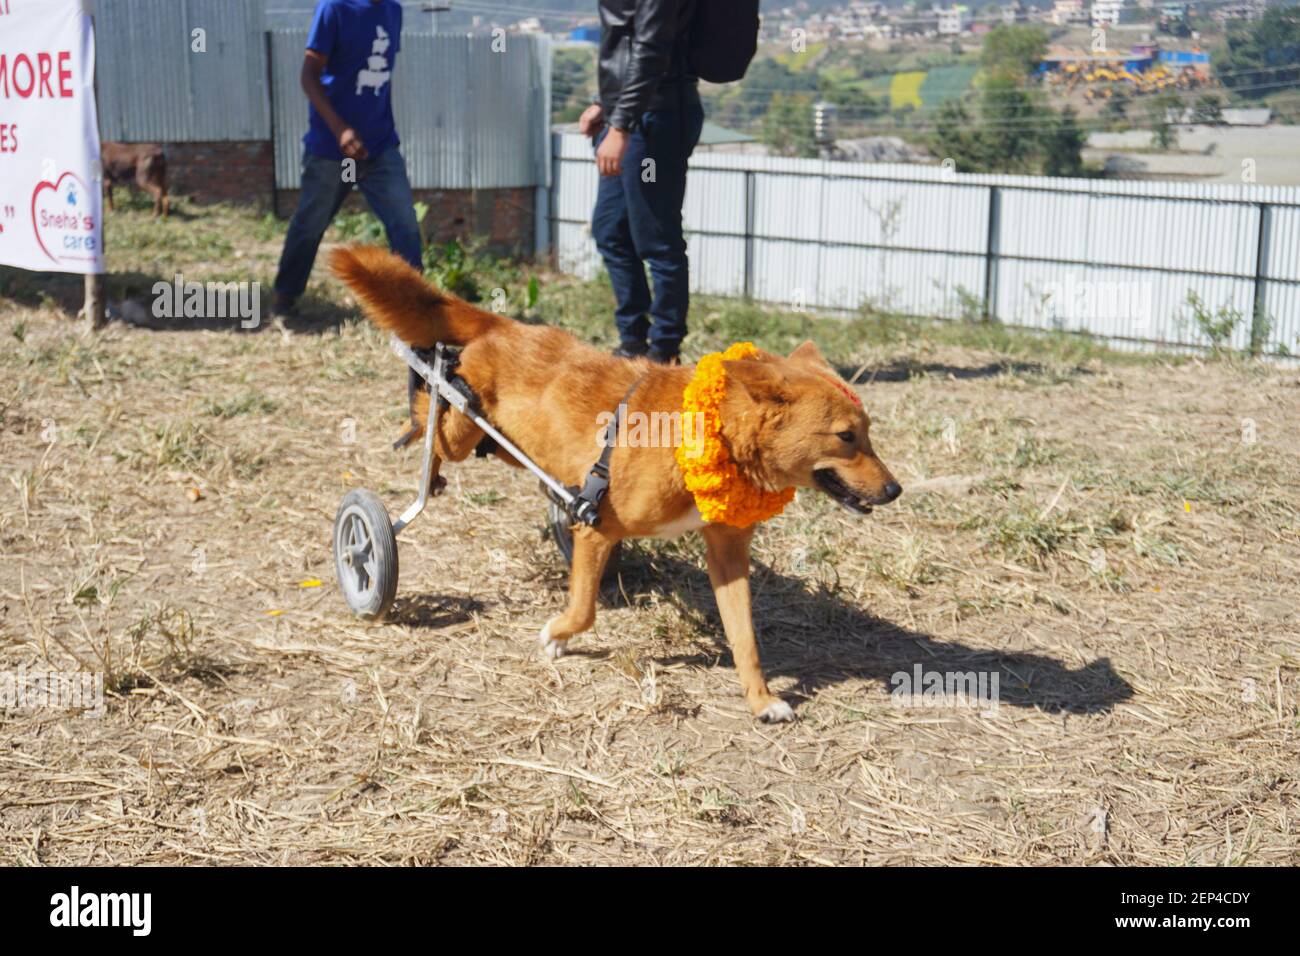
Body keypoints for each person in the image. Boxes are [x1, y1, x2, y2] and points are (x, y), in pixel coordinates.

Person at [271, 0, 423, 317]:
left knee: (405, 226)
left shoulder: (393, 11)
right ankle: (284, 298)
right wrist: (340, 129)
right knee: (310, 225)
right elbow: (308, 76)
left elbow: (380, 76)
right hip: (331, 149)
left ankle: (415, 308)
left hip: (379, 147)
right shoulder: (335, 8)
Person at [580, 0, 703, 365]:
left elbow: (651, 49)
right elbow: (624, 43)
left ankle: (664, 350)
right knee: (611, 230)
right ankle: (633, 341)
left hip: (654, 120)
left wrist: (621, 126)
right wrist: (605, 103)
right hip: (633, 115)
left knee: (657, 239)